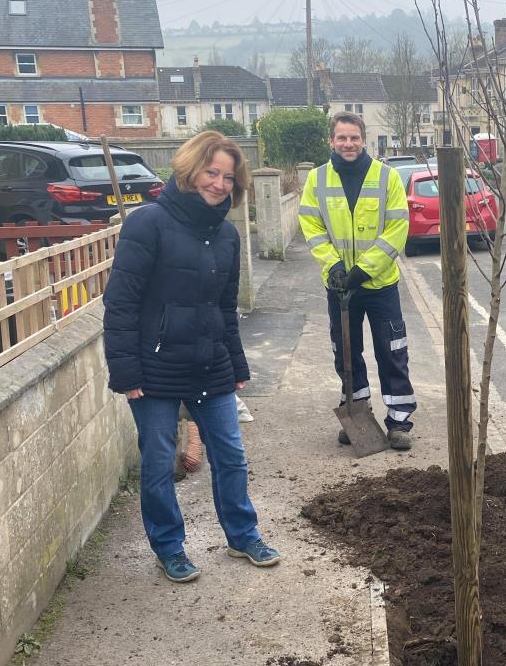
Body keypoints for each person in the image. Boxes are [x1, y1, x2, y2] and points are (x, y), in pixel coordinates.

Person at [103, 130, 279, 583]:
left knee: (232, 456)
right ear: (189, 169)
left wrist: (237, 365)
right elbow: (121, 303)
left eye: (227, 177)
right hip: (155, 369)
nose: (219, 184)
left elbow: (225, 307)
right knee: (159, 462)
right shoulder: (147, 223)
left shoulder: (225, 235)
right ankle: (169, 547)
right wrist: (124, 371)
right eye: (211, 172)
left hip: (210, 363)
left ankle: (242, 535)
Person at [299, 112, 415, 450]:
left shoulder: (386, 177)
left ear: (363, 139)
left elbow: (397, 228)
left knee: (391, 350)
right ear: (331, 141)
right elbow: (312, 226)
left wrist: (364, 269)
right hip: (339, 286)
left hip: (379, 284)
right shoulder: (317, 180)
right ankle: (357, 413)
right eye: (341, 138)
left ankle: (398, 421)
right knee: (346, 354)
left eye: (354, 138)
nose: (348, 144)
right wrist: (334, 266)